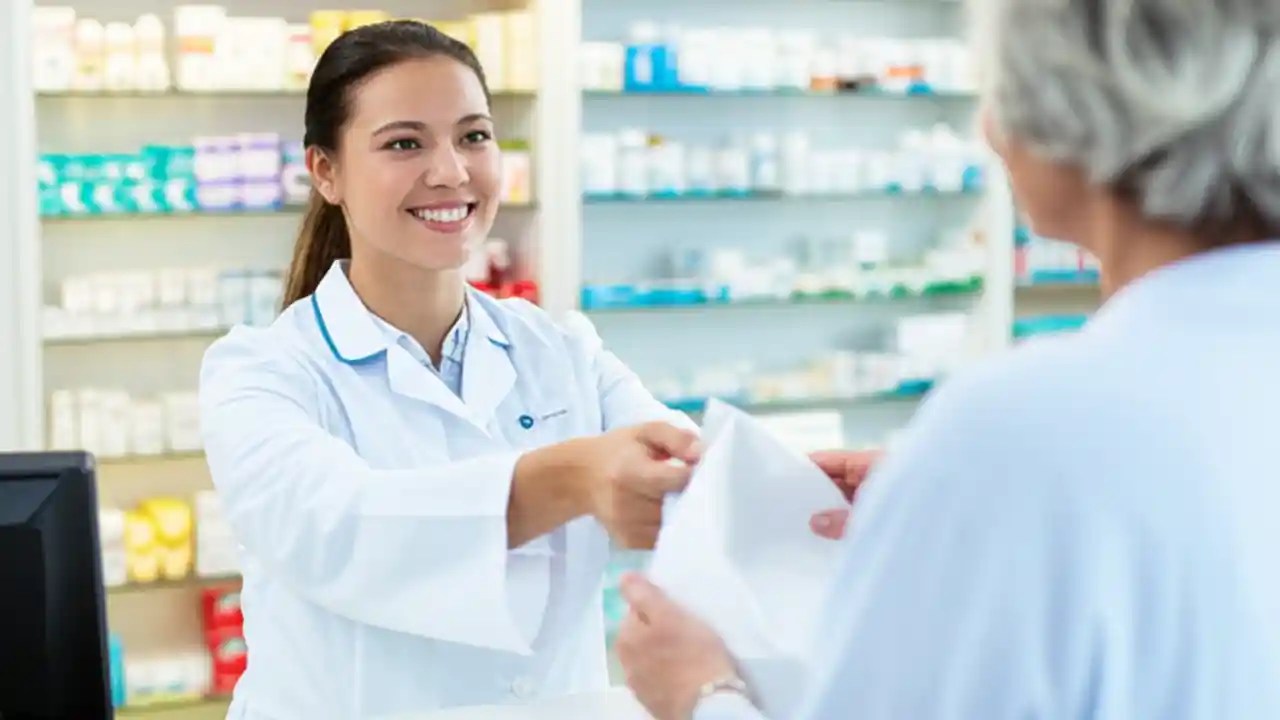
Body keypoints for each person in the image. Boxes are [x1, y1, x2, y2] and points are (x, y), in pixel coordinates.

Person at [616, 0, 1280, 718]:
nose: (990, 130)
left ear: (1077, 122)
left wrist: (702, 694)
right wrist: (955, 494)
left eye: (1008, 93)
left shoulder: (1024, 425)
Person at [198, 20, 715, 718]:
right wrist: (574, 477)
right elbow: (345, 529)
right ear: (325, 171)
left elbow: (679, 468)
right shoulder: (262, 373)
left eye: (473, 136)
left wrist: (800, 487)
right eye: (404, 143)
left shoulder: (561, 348)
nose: (450, 171)